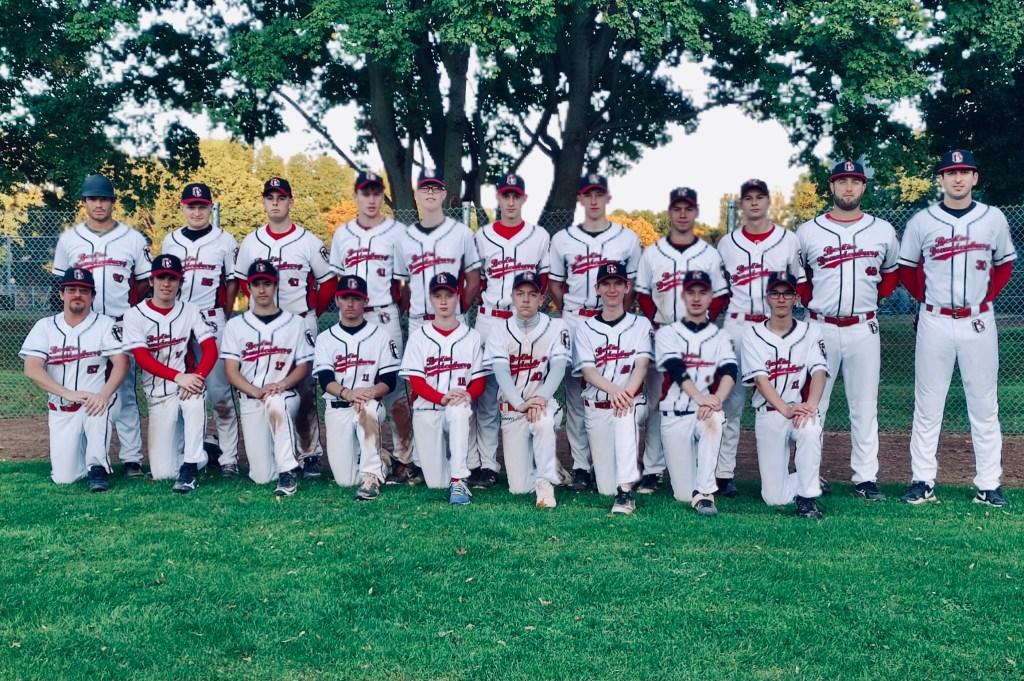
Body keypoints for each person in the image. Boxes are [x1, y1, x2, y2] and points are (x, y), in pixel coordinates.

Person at [897, 149, 1016, 507]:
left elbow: (1004, 266)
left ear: (975, 178)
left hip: (979, 320)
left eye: (965, 172)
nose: (958, 178)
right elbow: (907, 270)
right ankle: (922, 481)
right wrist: (929, 302)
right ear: (941, 179)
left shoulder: (992, 218)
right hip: (934, 319)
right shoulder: (922, 221)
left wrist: (982, 300)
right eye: (951, 172)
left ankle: (989, 484)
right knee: (928, 404)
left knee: (984, 404)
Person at [796, 161, 900, 501]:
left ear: (863, 187)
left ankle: (865, 478)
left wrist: (874, 300)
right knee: (814, 403)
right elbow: (800, 278)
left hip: (863, 326)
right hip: (819, 327)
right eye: (842, 182)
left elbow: (892, 274)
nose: (849, 188)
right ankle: (809, 474)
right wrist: (813, 303)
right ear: (832, 187)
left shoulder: (882, 230)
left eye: (855, 182)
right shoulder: (808, 231)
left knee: (864, 404)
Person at [233, 177, 333, 481]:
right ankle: (272, 450)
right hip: (262, 325)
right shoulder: (252, 241)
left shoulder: (308, 241)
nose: (275, 202)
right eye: (270, 197)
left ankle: (310, 453)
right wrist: (259, 308)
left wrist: (311, 307)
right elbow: (242, 280)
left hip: (299, 320)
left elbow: (328, 281)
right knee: (264, 383)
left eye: (281, 197)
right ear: (263, 202)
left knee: (303, 389)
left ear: (291, 202)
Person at [52, 173, 151, 478]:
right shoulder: (69, 239)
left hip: (120, 324)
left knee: (125, 393)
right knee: (86, 389)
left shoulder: (133, 238)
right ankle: (88, 457)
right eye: (93, 198)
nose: (98, 204)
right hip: (84, 326)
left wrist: (129, 313)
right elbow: (62, 281)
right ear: (84, 201)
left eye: (104, 198)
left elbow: (145, 282)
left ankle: (132, 457)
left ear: (112, 202)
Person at [548, 174, 642, 492]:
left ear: (607, 198)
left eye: (598, 194)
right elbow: (556, 285)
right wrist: (572, 310)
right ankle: (581, 465)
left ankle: (618, 460)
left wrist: (617, 311)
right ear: (580, 199)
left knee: (612, 387)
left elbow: (631, 285)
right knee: (577, 396)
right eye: (587, 194)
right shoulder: (563, 239)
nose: (593, 200)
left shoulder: (626, 238)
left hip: (614, 317)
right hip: (576, 318)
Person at [634, 187, 729, 494]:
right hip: (663, 332)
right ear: (670, 212)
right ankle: (652, 468)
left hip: (699, 336)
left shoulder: (709, 254)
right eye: (677, 208)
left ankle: (703, 470)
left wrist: (702, 327)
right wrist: (658, 324)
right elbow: (642, 293)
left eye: (688, 208)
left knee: (699, 398)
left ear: (695, 211)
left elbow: (721, 295)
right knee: (658, 401)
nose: (683, 214)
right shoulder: (653, 253)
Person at [716, 179, 804, 498]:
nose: (754, 203)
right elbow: (718, 289)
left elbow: (800, 284)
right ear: (741, 205)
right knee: (731, 402)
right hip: (738, 325)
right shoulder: (727, 243)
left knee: (784, 396)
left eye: (760, 198)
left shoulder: (788, 240)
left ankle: (795, 468)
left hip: (776, 327)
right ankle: (724, 473)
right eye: (748, 198)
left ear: (768, 202)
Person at [327, 170, 416, 484]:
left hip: (383, 314)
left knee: (394, 391)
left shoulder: (397, 231)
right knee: (355, 381)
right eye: (365, 193)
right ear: (355, 196)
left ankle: (407, 458)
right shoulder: (342, 234)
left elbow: (405, 281)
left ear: (382, 196)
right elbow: (337, 278)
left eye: (377, 193)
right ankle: (371, 454)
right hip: (353, 316)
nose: (371, 199)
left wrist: (397, 307)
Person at [469, 172, 550, 489]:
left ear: (524, 199)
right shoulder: (483, 235)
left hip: (524, 320)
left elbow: (543, 282)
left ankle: (529, 457)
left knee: (526, 387)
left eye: (516, 196)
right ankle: (488, 465)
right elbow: (475, 281)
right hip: (490, 319)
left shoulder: (539, 236)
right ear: (498, 199)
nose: (511, 201)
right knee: (488, 396)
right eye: (506, 196)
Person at [20, 267, 129, 491]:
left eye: (84, 290)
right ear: (61, 294)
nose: (77, 294)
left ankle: (98, 469)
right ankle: (81, 464)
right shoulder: (45, 326)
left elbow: (122, 363)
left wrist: (104, 394)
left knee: (98, 408)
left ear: (92, 296)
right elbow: (31, 368)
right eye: (71, 289)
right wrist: (67, 393)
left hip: (96, 400)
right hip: (61, 407)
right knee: (65, 478)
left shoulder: (104, 324)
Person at [161, 182, 241, 476]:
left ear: (210, 208)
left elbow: (232, 281)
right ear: (183, 208)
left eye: (202, 206)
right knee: (181, 389)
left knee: (220, 391)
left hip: (211, 318)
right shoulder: (170, 241)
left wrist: (225, 313)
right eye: (191, 206)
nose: (196, 211)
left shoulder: (225, 240)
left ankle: (229, 458)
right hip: (179, 321)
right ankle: (187, 453)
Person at [122, 254, 219, 492]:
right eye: (161, 277)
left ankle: (190, 469)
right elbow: (142, 358)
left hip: (186, 388)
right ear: (152, 281)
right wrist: (178, 376)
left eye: (172, 279)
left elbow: (210, 349)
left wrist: (197, 377)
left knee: (195, 400)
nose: (167, 283)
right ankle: (207, 451)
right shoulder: (134, 314)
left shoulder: (191, 310)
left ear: (180, 283)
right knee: (163, 473)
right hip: (157, 396)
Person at [222, 260, 314, 496]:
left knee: (276, 402)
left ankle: (288, 472)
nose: (262, 289)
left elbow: (304, 366)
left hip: (285, 395)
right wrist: (256, 391)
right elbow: (231, 371)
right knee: (262, 477)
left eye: (267, 283)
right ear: (248, 288)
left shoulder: (295, 322)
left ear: (276, 286)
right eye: (257, 284)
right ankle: (275, 465)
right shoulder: (235, 325)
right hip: (252, 398)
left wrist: (281, 385)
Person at [741, 272, 829, 518]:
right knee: (774, 498)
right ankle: (809, 477)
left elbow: (819, 372)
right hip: (769, 413)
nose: (781, 299)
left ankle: (807, 497)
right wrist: (786, 409)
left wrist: (810, 406)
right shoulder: (752, 335)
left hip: (801, 409)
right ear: (767, 298)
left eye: (787, 293)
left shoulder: (811, 331)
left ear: (796, 298)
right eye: (775, 293)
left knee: (810, 428)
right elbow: (760, 380)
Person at [399, 272, 488, 505]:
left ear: (458, 297)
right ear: (430, 298)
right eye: (438, 296)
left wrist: (467, 394)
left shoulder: (472, 337)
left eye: (449, 295)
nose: (443, 301)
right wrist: (442, 397)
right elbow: (416, 382)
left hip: (456, 407)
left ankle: (459, 480)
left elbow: (479, 381)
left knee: (459, 411)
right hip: (427, 410)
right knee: (436, 482)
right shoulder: (418, 337)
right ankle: (449, 472)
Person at [483, 270, 569, 508]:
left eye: (533, 294)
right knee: (518, 488)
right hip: (513, 410)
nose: (526, 299)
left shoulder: (556, 326)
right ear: (512, 296)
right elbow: (501, 373)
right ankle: (549, 464)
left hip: (545, 405)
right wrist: (521, 404)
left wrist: (539, 399)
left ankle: (544, 484)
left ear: (542, 299)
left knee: (541, 421)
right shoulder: (499, 330)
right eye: (520, 293)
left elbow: (559, 369)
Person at [572, 262, 652, 515]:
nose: (612, 288)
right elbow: (588, 372)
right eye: (606, 283)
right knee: (605, 487)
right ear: (597, 288)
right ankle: (616, 474)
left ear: (627, 287)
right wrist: (615, 391)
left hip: (631, 402)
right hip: (597, 406)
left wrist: (624, 394)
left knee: (624, 414)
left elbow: (641, 366)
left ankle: (626, 492)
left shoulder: (640, 324)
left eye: (618, 283)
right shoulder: (584, 327)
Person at [655, 270, 736, 517]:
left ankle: (705, 494)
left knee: (714, 420)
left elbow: (730, 371)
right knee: (681, 493)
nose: (697, 298)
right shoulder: (667, 333)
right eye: (691, 292)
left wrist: (717, 400)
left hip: (704, 412)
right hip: (674, 413)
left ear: (711, 296)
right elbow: (677, 370)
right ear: (683, 296)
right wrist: (701, 397)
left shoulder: (720, 336)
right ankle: (695, 491)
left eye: (703, 292)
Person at [313, 275, 399, 501]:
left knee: (368, 410)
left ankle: (372, 476)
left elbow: (389, 380)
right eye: (345, 298)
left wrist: (368, 393)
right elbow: (325, 379)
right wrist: (348, 393)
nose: (350, 303)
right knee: (345, 480)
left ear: (365, 301)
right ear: (337, 299)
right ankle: (383, 457)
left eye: (356, 298)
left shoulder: (380, 336)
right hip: (337, 407)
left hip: (368, 404)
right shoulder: (325, 338)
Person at [394, 169, 482, 336]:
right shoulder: (404, 238)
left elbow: (474, 281)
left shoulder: (462, 233)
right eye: (425, 188)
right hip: (417, 322)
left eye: (436, 188)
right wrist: (408, 309)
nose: (430, 193)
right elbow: (402, 284)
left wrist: (460, 308)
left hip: (453, 321)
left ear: (444, 194)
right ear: (416, 195)